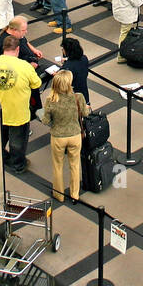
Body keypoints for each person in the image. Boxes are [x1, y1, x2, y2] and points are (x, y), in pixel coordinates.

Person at [0, 34, 41, 173]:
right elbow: (36, 84)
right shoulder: (24, 66)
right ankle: (17, 165)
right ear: (17, 50)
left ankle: (0, 157)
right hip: (17, 112)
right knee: (17, 143)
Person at [44, 70, 86, 203]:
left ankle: (59, 194)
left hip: (58, 136)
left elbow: (45, 121)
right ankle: (75, 194)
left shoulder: (50, 100)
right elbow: (85, 113)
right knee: (74, 165)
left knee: (58, 166)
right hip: (75, 135)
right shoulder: (78, 97)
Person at [58, 36, 90, 105]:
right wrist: (67, 60)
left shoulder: (67, 68)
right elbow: (76, 63)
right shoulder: (84, 58)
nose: (62, 51)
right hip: (84, 95)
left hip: (73, 100)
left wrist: (56, 74)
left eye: (63, 49)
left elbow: (61, 83)